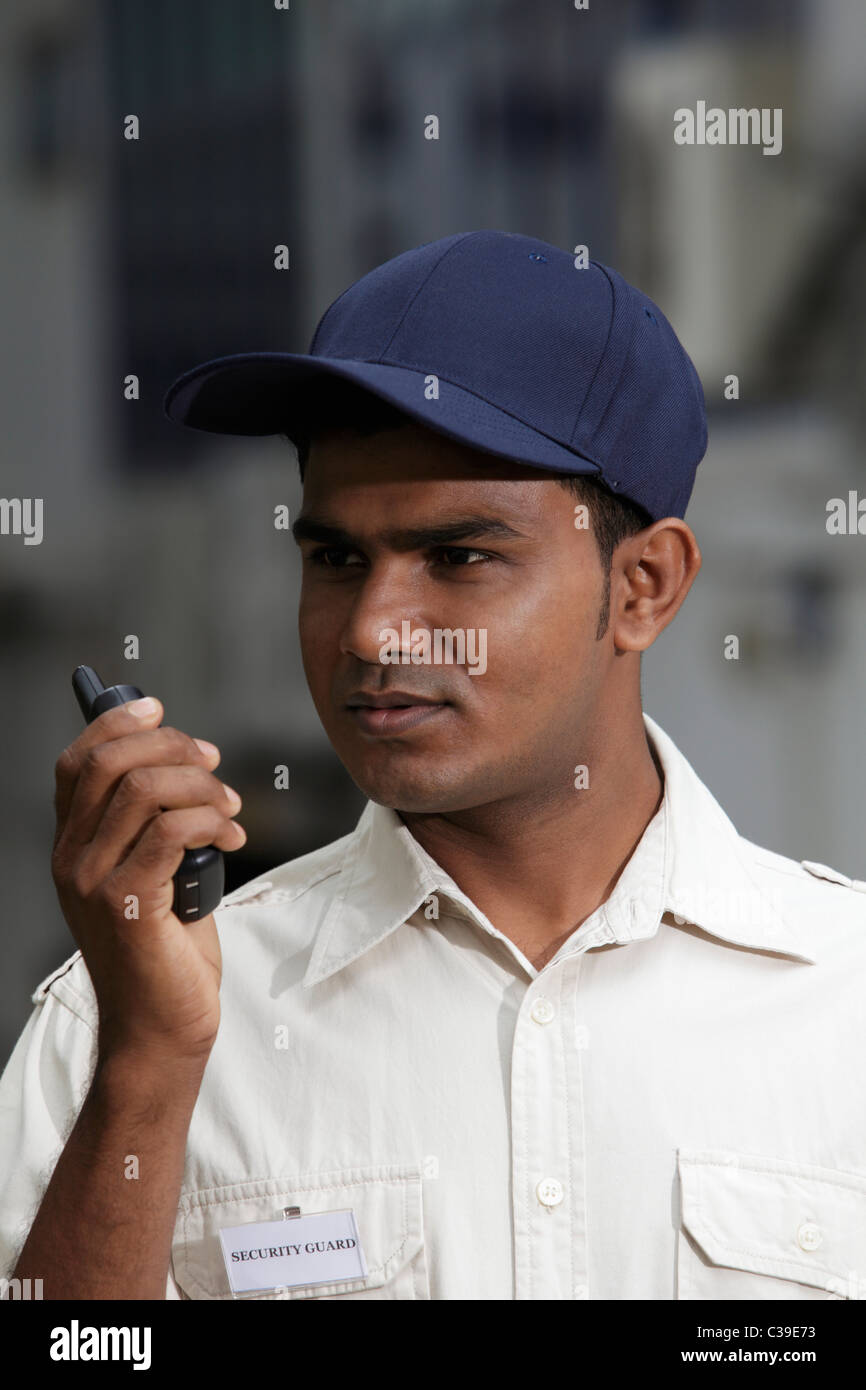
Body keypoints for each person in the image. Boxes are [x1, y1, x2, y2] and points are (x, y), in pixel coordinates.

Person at [2, 230, 865, 1302]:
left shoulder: (844, 1001)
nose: (373, 630)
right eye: (334, 558)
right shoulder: (125, 1022)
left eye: (457, 557)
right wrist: (148, 1065)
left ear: (642, 586)